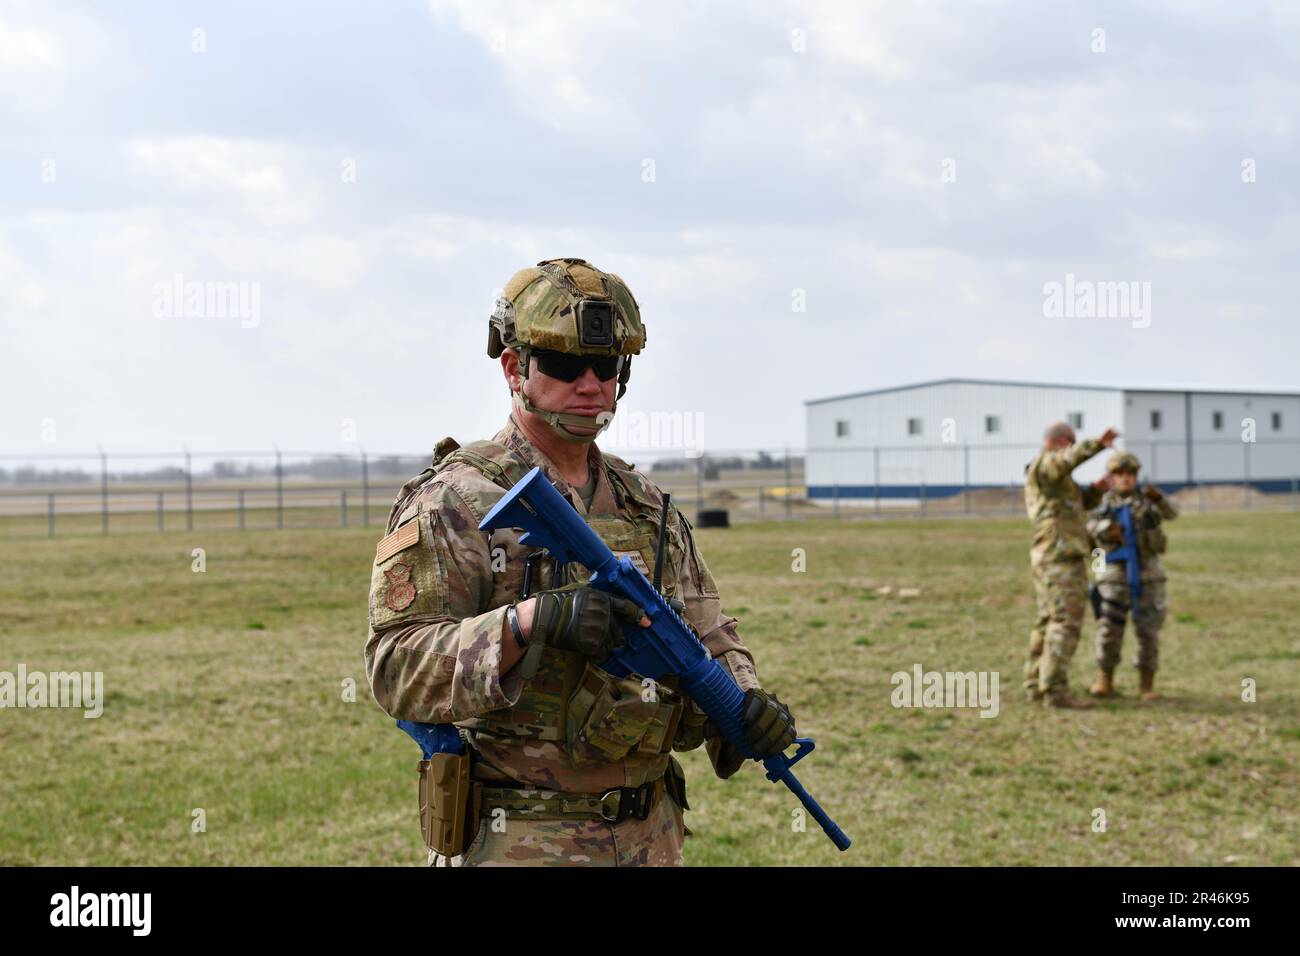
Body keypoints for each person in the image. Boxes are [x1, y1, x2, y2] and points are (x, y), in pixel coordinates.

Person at [364, 257, 796, 866]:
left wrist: (747, 703)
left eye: (608, 367)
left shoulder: (646, 505)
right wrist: (530, 623)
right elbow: (394, 669)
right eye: (566, 366)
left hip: (650, 836)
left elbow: (708, 632)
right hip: (520, 838)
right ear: (515, 368)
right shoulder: (456, 499)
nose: (591, 385)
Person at [1023, 421, 1119, 709]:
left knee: (1048, 619)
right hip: (1060, 555)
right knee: (1066, 620)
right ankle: (1055, 689)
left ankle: (1035, 682)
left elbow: (1072, 506)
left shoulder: (1056, 481)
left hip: (1054, 553)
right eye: (1072, 444)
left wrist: (1096, 490)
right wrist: (1097, 445)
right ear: (1063, 442)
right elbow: (1065, 460)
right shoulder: (1046, 465)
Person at [1086, 451, 1179, 701]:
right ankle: (1105, 679)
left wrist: (1158, 498)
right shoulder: (1102, 503)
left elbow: (1173, 513)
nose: (1125, 479)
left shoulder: (1148, 499)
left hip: (1148, 573)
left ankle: (1146, 685)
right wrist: (1106, 528)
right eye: (1119, 474)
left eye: (1130, 474)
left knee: (1147, 631)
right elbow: (1088, 527)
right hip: (1113, 573)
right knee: (1109, 629)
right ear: (1112, 477)